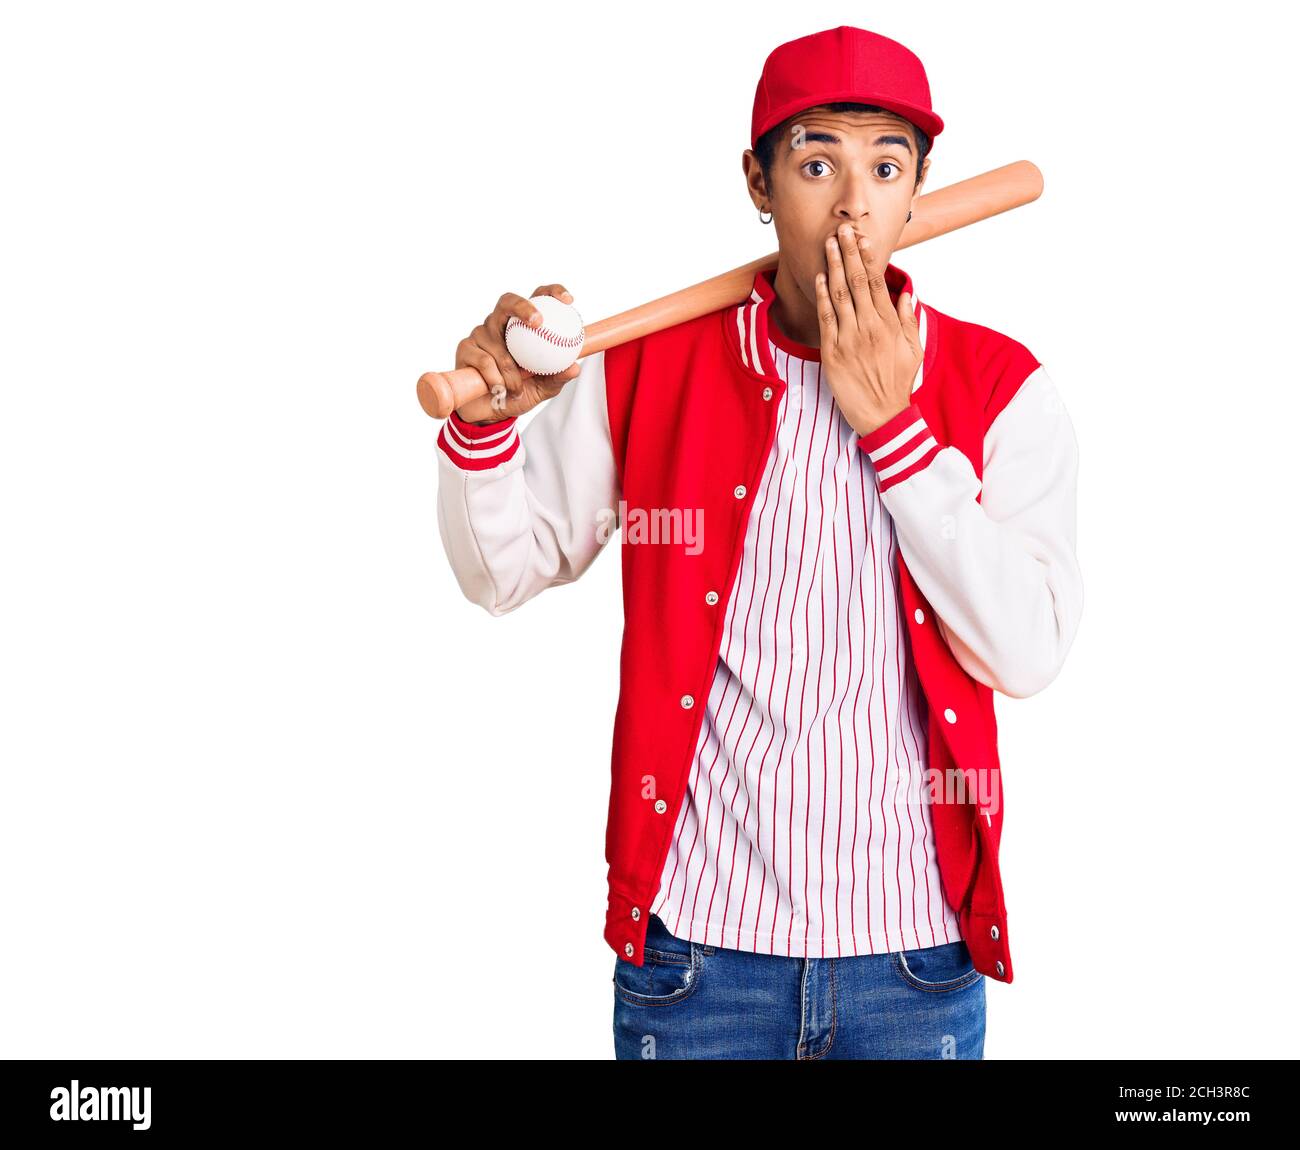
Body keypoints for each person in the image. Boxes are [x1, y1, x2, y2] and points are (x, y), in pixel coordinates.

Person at [434, 25, 1083, 1059]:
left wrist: (896, 432)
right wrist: (485, 426)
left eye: (886, 165)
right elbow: (503, 569)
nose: (854, 203)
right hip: (696, 961)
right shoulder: (649, 369)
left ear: (919, 187)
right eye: (817, 162)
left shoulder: (1001, 388)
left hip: (913, 963)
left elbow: (1029, 650)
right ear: (759, 182)